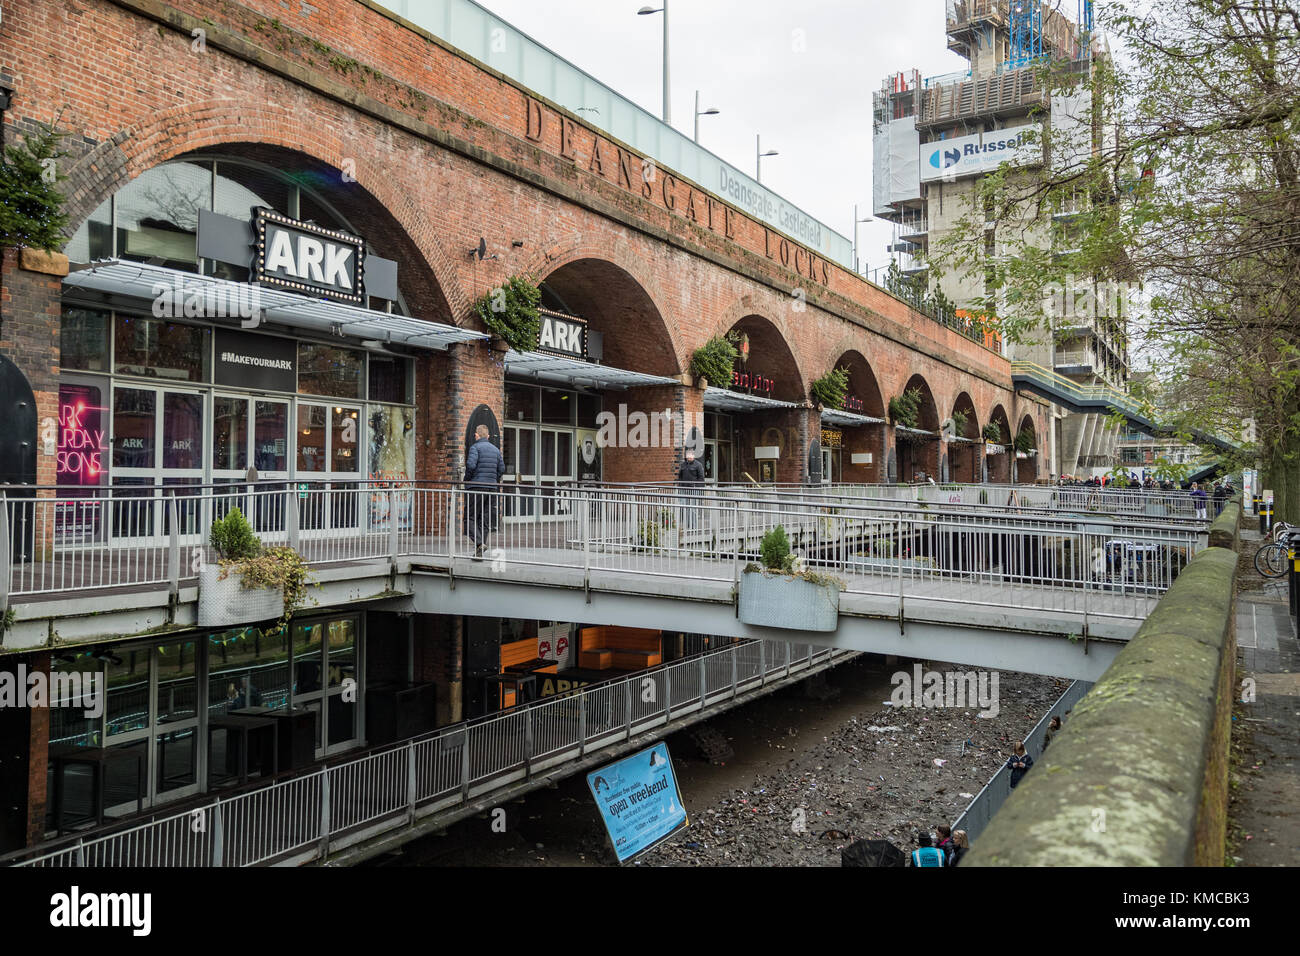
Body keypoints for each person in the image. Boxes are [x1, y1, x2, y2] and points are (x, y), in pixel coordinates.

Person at [465, 424, 505, 559]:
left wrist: (467, 480)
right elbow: (502, 469)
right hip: (492, 488)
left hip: (476, 486)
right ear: (488, 436)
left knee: (470, 517)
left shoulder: (475, 447)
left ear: (476, 435)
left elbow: (470, 465)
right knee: (485, 519)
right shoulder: (495, 450)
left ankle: (479, 543)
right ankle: (479, 551)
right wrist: (494, 479)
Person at [677, 448, 705, 529]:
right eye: (687, 455)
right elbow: (680, 477)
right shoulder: (683, 465)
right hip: (684, 490)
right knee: (685, 508)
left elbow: (701, 478)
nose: (688, 457)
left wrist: (696, 487)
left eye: (690, 455)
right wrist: (680, 487)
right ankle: (688, 526)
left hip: (694, 490)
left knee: (693, 509)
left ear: (693, 455)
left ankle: (694, 527)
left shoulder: (698, 465)